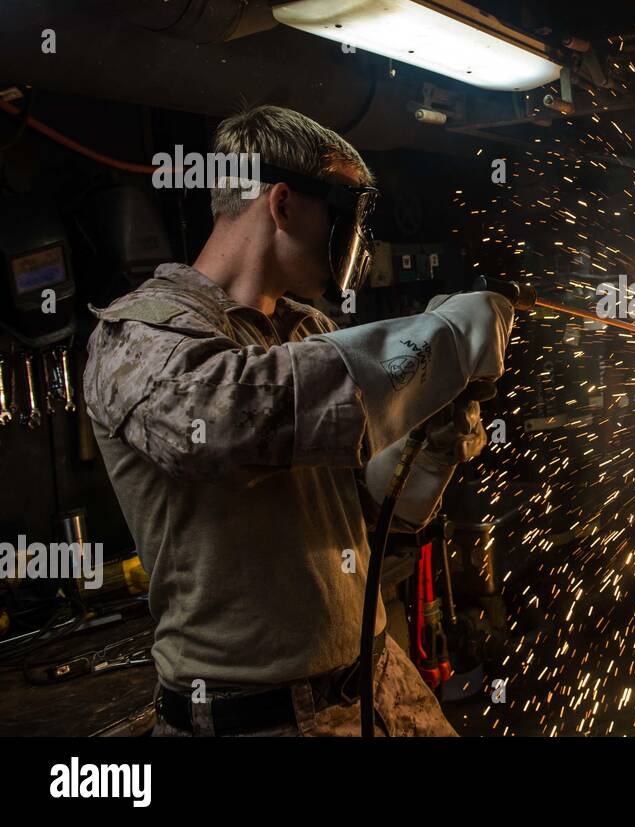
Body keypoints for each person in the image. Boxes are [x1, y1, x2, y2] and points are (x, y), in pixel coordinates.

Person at [83, 105, 513, 736]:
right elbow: (228, 422)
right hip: (254, 720)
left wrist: (428, 441)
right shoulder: (138, 334)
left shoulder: (306, 331)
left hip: (377, 683)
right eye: (343, 217)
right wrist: (438, 341)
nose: (355, 243)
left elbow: (360, 519)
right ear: (283, 205)